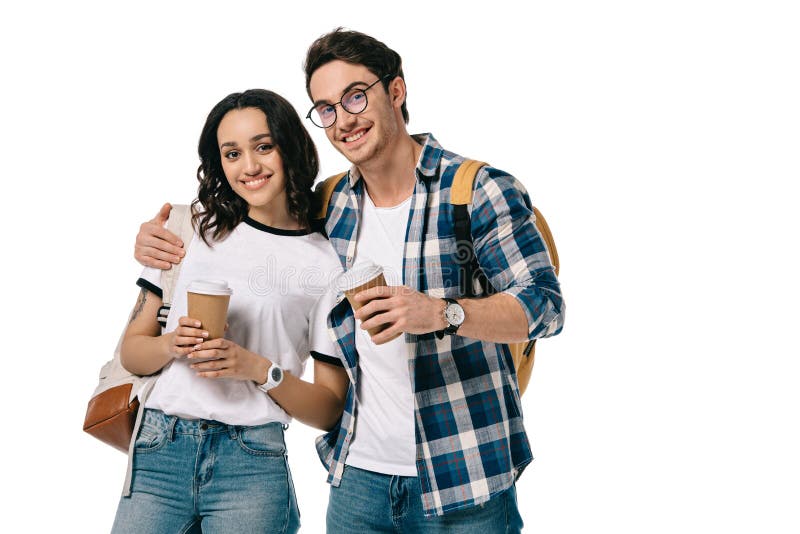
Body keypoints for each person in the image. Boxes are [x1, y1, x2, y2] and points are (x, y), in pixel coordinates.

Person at [135, 29, 565, 533]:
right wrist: (162, 237)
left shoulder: (478, 190)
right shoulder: (329, 203)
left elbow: (545, 306)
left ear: (396, 92)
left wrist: (443, 312)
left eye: (356, 96)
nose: (343, 119)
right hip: (357, 479)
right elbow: (255, 223)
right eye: (327, 108)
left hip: (465, 473)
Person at [113, 89, 349, 534]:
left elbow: (329, 409)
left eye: (264, 146)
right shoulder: (189, 229)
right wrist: (169, 344)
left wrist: (258, 368)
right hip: (161, 449)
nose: (250, 166)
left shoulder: (326, 262)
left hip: (251, 462)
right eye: (232, 153)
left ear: (291, 146)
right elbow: (132, 353)